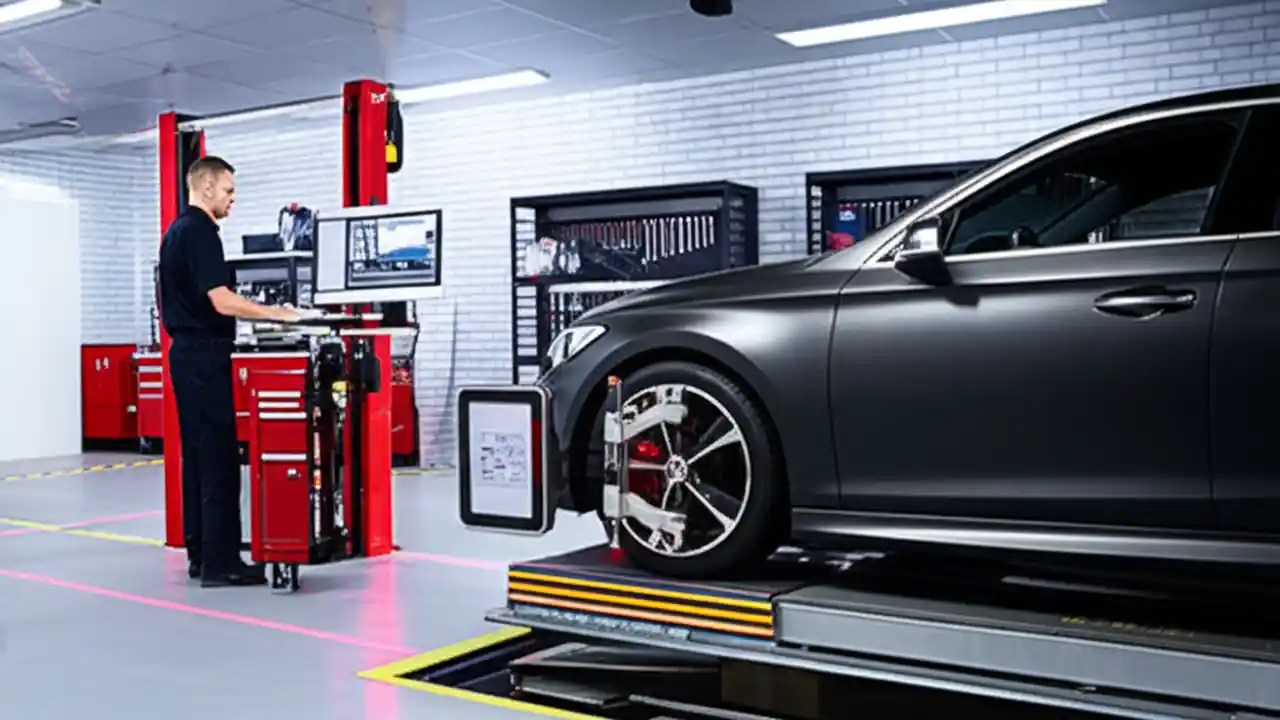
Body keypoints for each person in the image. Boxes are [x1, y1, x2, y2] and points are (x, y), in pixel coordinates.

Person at [157, 155, 306, 587]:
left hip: (186, 355)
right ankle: (222, 564)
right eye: (229, 190)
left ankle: (202, 554)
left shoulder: (175, 231)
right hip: (205, 357)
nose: (233, 198)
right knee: (219, 459)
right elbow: (221, 300)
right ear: (206, 188)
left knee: (197, 457)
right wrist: (280, 314)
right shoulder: (201, 231)